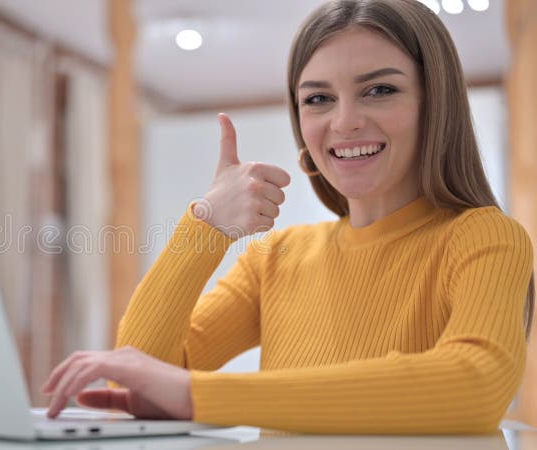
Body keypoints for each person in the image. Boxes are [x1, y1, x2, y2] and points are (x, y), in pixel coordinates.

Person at [41, 0, 536, 434]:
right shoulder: (277, 257)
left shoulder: (485, 238)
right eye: (318, 99)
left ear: (435, 103)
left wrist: (199, 397)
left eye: (380, 90)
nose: (345, 122)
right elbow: (136, 379)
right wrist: (206, 225)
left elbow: (475, 384)